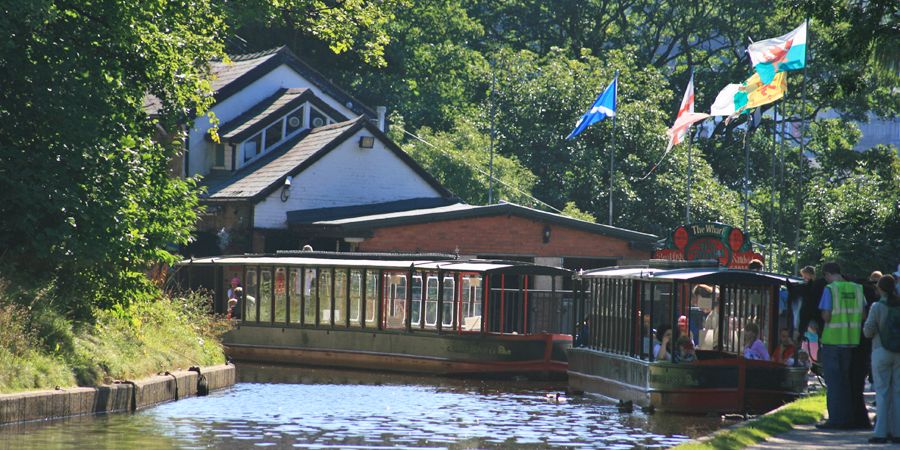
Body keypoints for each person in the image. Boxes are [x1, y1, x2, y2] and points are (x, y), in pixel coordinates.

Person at [816, 262, 868, 430]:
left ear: (827, 275)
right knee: (845, 381)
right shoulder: (857, 289)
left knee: (833, 383)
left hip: (832, 341)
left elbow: (826, 316)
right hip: (850, 342)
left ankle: (835, 420)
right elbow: (863, 315)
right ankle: (846, 418)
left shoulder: (830, 289)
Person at [863, 275, 900, 444]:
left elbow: (868, 332)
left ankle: (881, 432)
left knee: (882, 392)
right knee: (897, 392)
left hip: (881, 351)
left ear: (881, 289)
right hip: (899, 353)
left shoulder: (877, 307)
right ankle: (897, 431)